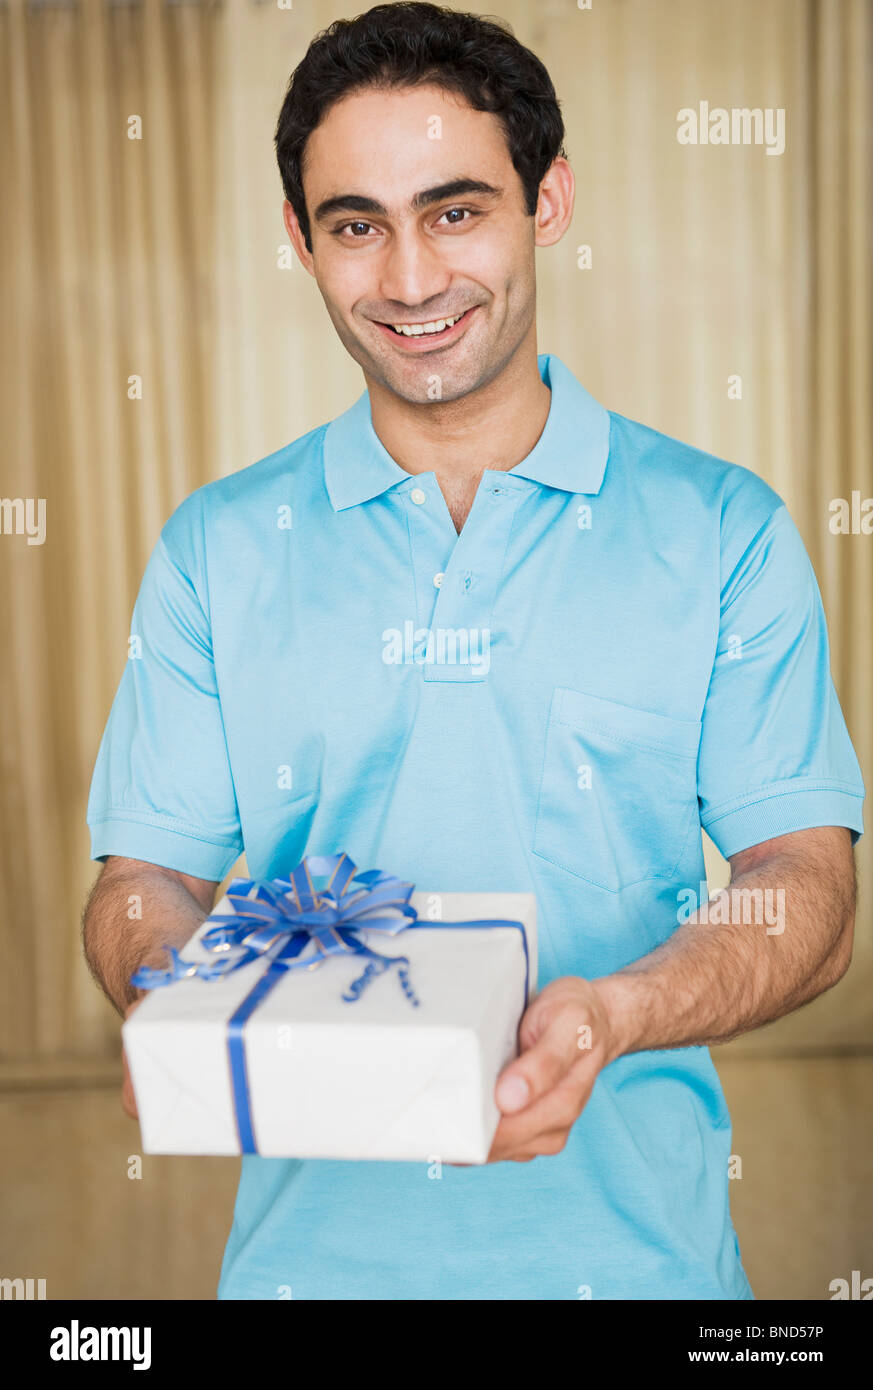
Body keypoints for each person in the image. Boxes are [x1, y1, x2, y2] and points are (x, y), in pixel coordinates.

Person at [83, 2, 864, 1300]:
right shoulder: (217, 547)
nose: (406, 280)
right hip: (306, 1275)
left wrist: (613, 1010)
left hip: (645, 1275)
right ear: (301, 240)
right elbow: (138, 878)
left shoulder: (722, 530)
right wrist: (182, 998)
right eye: (355, 225)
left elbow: (804, 884)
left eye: (454, 211)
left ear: (544, 200)